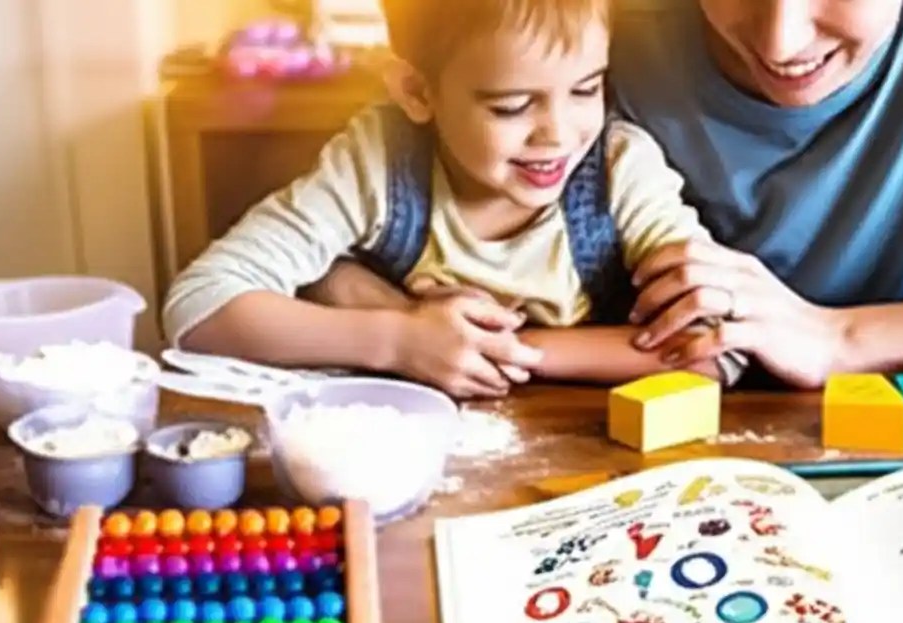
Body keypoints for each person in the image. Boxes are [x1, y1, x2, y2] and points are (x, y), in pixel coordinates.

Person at [301, 0, 903, 390]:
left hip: (900, 441)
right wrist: (373, 304)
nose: (779, 41)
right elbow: (395, 203)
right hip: (602, 429)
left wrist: (842, 337)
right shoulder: (608, 18)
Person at [162, 0, 747, 398]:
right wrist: (398, 339)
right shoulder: (378, 164)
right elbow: (198, 308)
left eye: (586, 89)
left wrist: (508, 350)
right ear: (418, 92)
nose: (559, 133)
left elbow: (715, 346)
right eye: (511, 106)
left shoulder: (621, 169)